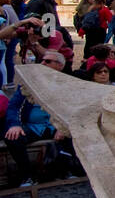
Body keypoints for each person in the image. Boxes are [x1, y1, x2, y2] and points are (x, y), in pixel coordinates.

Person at [4, 53, 77, 187]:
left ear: (59, 66)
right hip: (32, 127)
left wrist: (63, 127)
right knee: (12, 137)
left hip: (54, 125)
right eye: (42, 60)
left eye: (48, 61)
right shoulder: (28, 84)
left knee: (73, 133)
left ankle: (68, 170)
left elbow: (72, 110)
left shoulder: (66, 84)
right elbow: (14, 106)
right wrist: (14, 124)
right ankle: (27, 176)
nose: (43, 63)